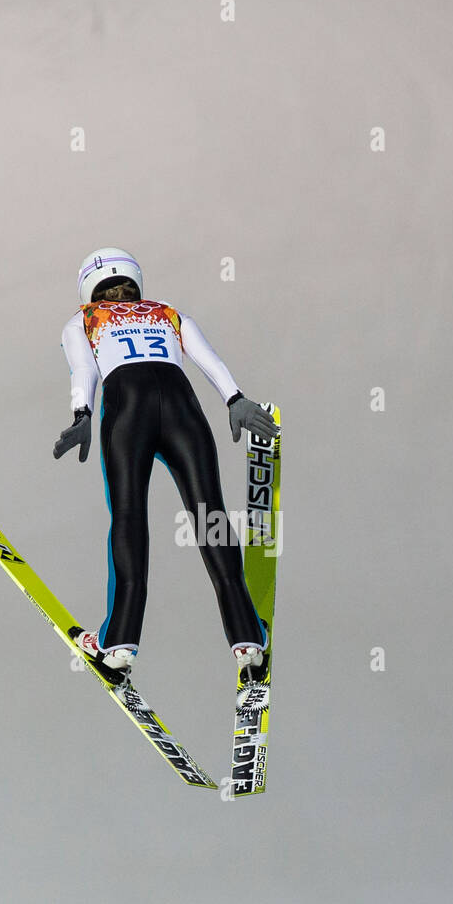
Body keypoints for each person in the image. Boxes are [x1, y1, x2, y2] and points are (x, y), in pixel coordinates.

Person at [53, 247, 279, 683]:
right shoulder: (169, 313)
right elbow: (207, 358)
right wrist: (235, 399)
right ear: (136, 279)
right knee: (209, 513)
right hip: (182, 408)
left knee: (129, 518)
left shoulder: (83, 319)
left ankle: (118, 643)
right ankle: (248, 639)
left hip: (127, 410)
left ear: (87, 287)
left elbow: (84, 371)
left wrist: (82, 415)